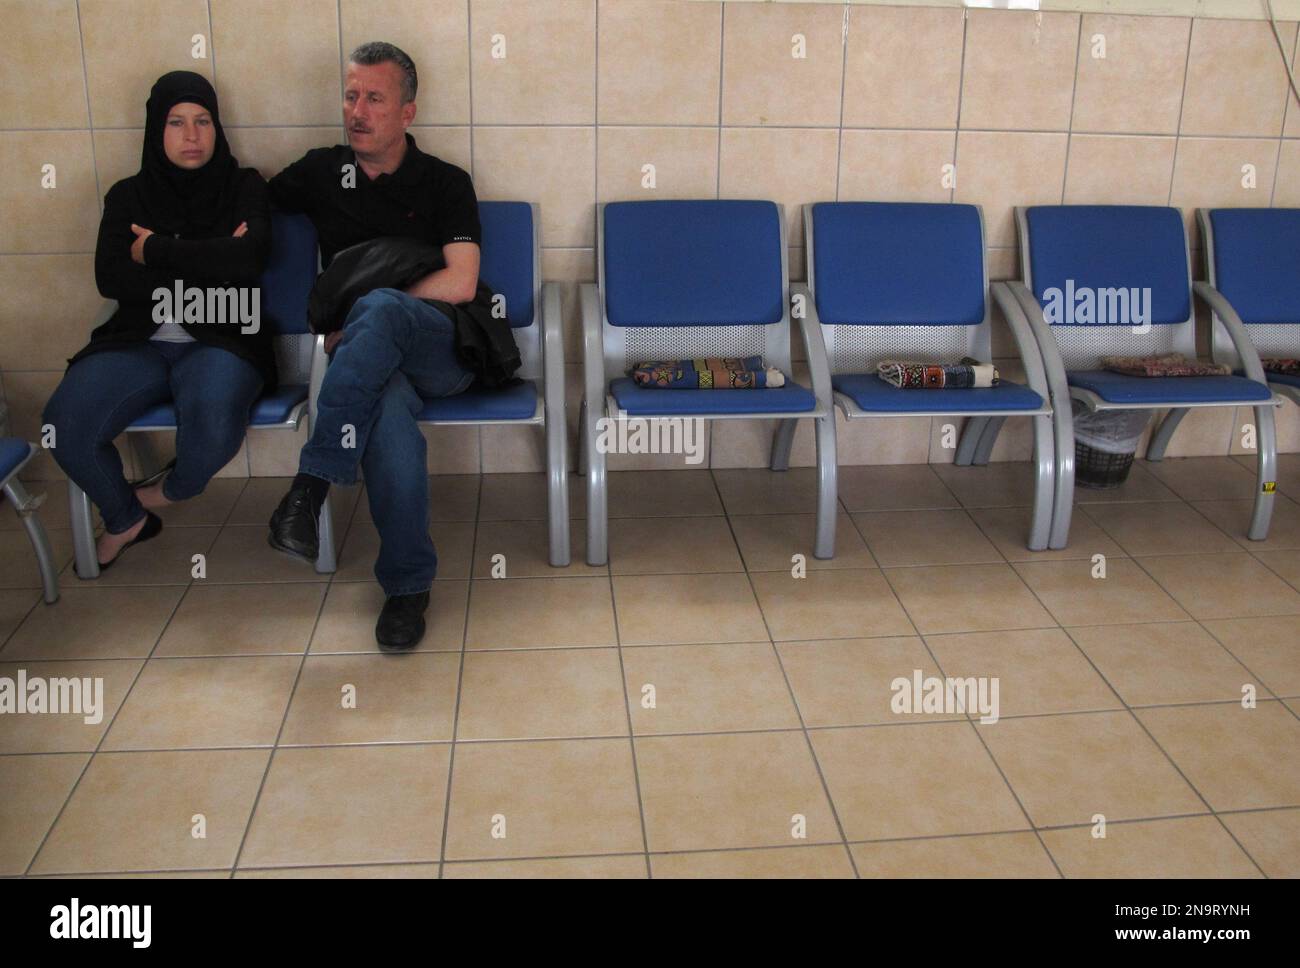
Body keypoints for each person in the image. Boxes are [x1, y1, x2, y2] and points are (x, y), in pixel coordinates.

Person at [266, 42, 488, 652]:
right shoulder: (320, 171)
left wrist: (372, 311)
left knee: (382, 308)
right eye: (350, 95)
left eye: (374, 98)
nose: (357, 111)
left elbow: (461, 283)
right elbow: (249, 203)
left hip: (440, 349)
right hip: (371, 367)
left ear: (407, 112)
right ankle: (408, 587)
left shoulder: (445, 182)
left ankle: (309, 488)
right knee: (385, 421)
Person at [44, 71, 273, 572]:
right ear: (155, 129)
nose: (192, 135)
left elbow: (249, 260)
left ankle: (166, 492)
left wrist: (155, 252)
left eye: (203, 121)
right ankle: (125, 518)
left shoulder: (244, 185)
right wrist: (213, 259)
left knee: (213, 420)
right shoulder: (128, 196)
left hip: (225, 336)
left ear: (217, 127)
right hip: (137, 339)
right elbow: (111, 277)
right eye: (176, 122)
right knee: (64, 426)